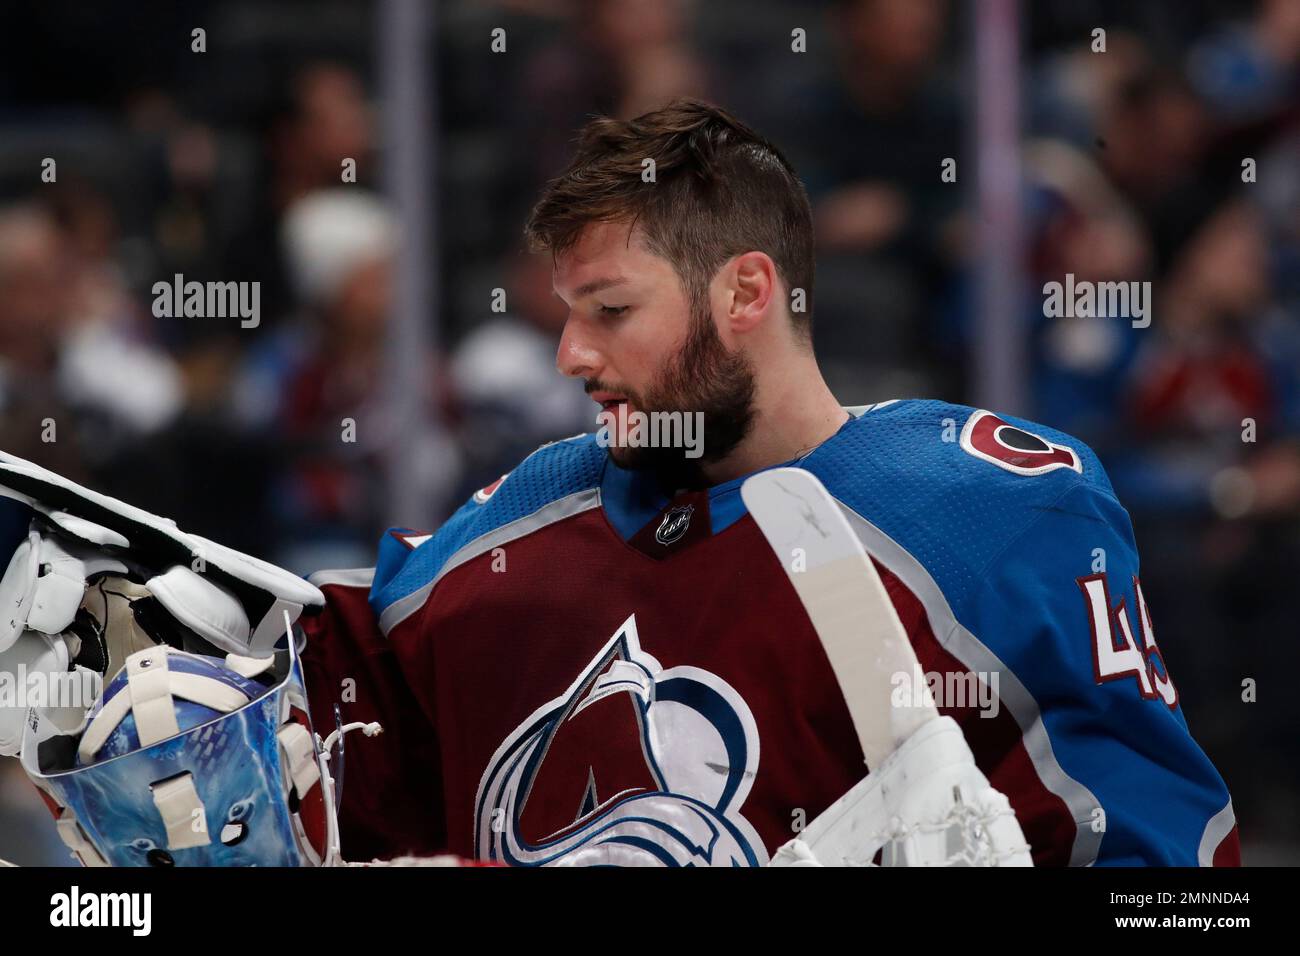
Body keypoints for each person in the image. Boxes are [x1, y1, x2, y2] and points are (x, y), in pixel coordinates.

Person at [0, 100, 1237, 867]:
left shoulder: (989, 505)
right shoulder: (530, 516)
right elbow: (343, 757)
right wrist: (198, 723)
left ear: (747, 292)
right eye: (564, 312)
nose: (570, 355)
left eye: (610, 311)